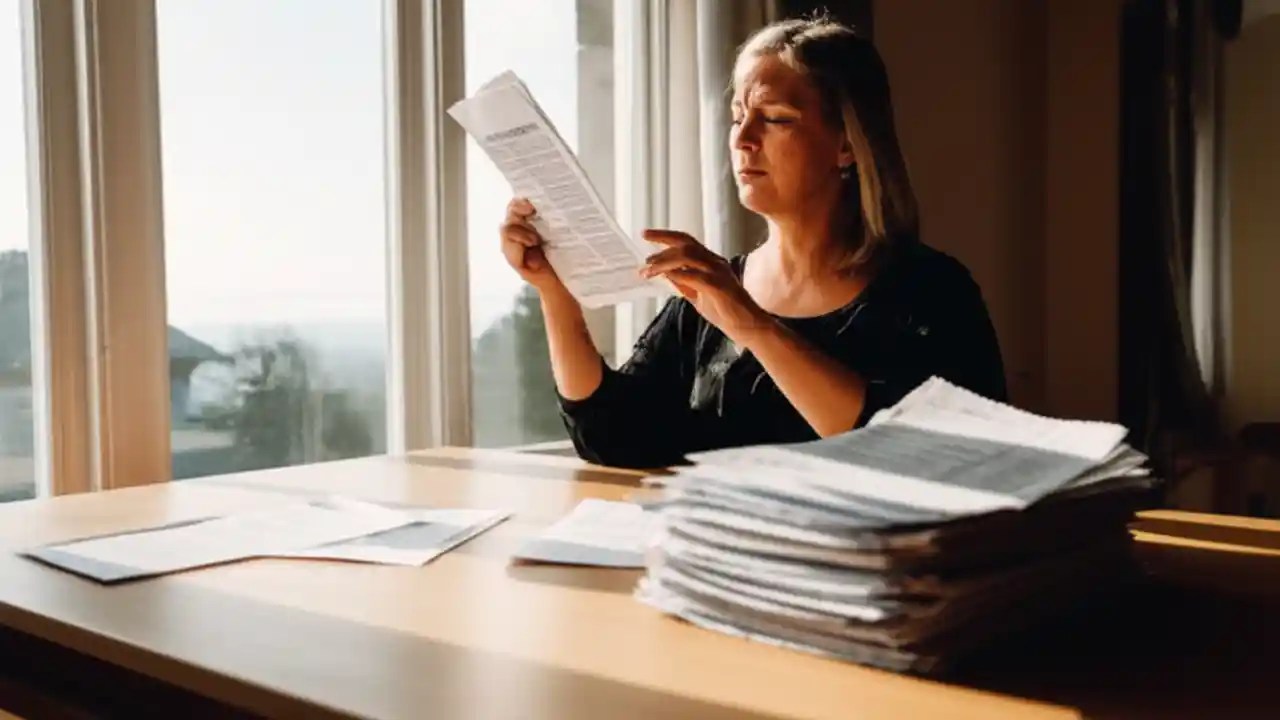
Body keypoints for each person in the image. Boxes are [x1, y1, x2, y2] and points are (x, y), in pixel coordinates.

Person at [498, 17, 1006, 469]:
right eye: (738, 116)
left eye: (776, 118)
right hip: (726, 565)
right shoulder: (715, 294)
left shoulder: (931, 292)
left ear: (848, 144)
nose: (742, 139)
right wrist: (554, 288)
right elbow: (614, 436)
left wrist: (750, 324)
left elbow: (918, 456)